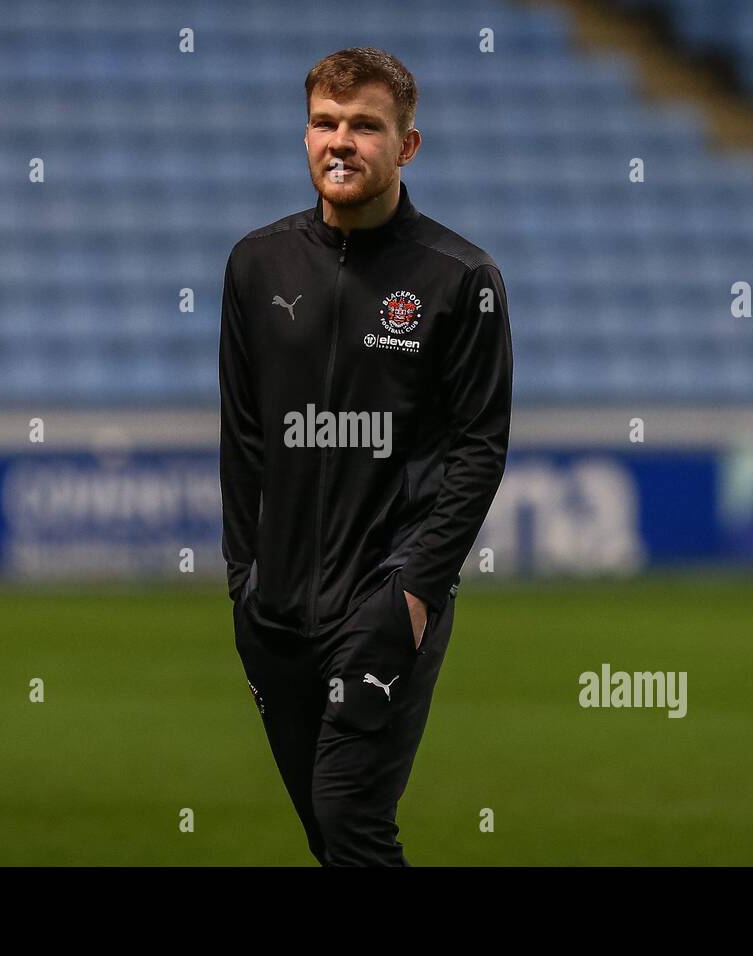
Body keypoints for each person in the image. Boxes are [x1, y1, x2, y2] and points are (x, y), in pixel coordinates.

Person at [218, 47, 512, 865]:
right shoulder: (255, 265)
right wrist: (242, 578)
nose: (340, 142)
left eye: (365, 126)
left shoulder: (460, 278)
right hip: (273, 606)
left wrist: (414, 594)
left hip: (384, 599)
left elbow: (479, 449)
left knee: (348, 813)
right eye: (324, 122)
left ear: (407, 146)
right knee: (328, 832)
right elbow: (242, 439)